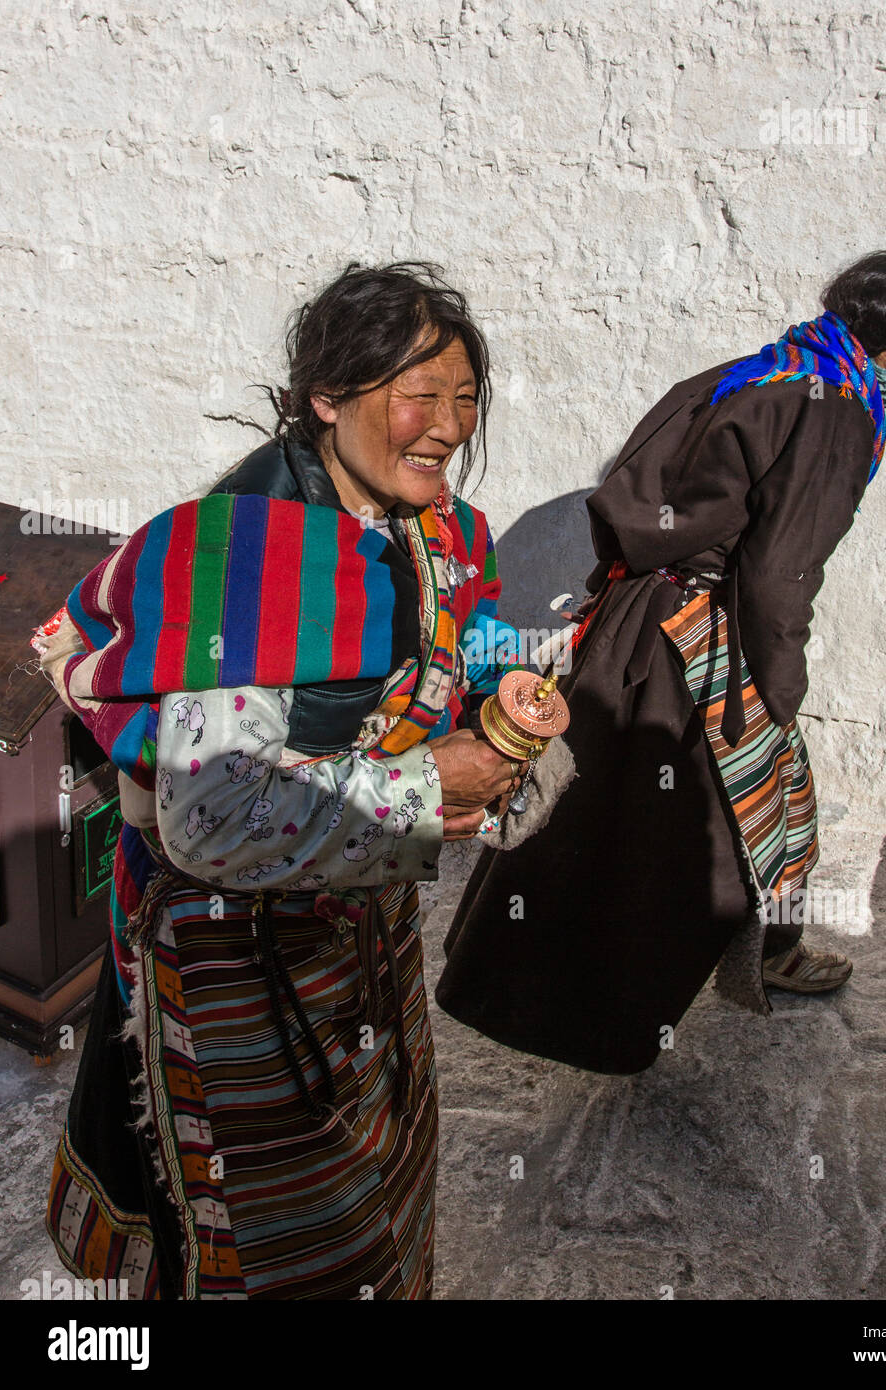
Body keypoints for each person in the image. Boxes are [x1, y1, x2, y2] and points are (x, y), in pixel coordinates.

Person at [36, 262, 524, 1299]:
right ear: (327, 399)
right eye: (417, 396)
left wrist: (510, 716)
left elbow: (453, 655)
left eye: (465, 397)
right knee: (281, 1240)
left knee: (381, 1187)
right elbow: (211, 816)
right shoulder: (250, 558)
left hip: (359, 933)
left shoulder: (419, 527)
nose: (446, 424)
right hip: (237, 961)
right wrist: (427, 785)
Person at [436, 251, 886, 1075]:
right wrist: (777, 688)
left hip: (636, 622)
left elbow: (626, 493)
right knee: (727, 828)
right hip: (707, 641)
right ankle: (625, 1012)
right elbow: (782, 576)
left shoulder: (755, 373)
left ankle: (503, 986)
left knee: (589, 814)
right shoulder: (839, 411)